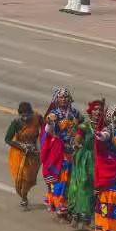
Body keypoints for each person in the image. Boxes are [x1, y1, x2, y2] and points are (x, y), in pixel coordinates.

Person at [40, 88, 82, 221]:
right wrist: (49, 122)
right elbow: (48, 129)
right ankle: (60, 206)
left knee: (73, 178)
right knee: (61, 179)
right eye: (61, 97)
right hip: (60, 151)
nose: (63, 99)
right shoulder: (54, 114)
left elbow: (80, 128)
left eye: (66, 97)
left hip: (75, 150)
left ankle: (70, 205)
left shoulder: (75, 113)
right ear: (57, 100)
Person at [66, 99, 103, 231]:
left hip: (99, 160)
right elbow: (77, 138)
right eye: (95, 109)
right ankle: (76, 215)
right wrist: (76, 144)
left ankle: (87, 219)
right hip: (85, 159)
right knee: (83, 186)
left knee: (95, 189)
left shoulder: (105, 127)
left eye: (100, 109)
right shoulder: (85, 126)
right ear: (90, 111)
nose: (98, 112)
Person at [4, 102, 42, 210]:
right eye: (23, 116)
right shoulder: (16, 123)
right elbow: (7, 139)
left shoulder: (37, 117)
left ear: (31, 113)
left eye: (28, 115)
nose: (26, 118)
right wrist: (21, 146)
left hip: (34, 152)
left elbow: (44, 130)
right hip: (19, 153)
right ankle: (24, 197)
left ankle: (25, 192)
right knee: (20, 177)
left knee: (29, 178)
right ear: (19, 115)